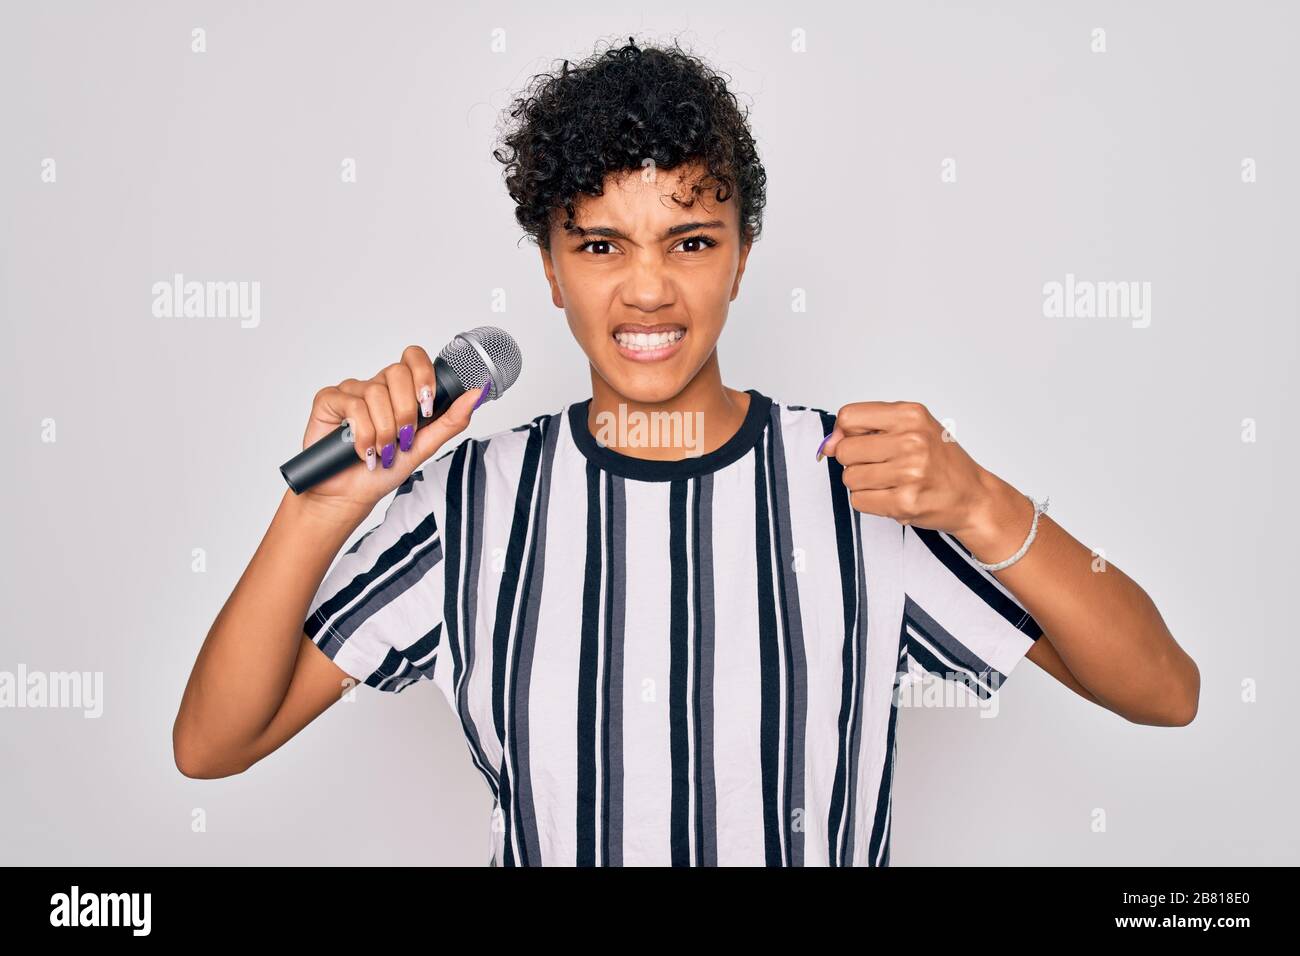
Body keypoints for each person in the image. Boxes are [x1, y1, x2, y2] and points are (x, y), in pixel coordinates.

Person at [173, 37, 1199, 866]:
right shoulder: (470, 503)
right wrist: (316, 512)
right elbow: (214, 742)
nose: (648, 289)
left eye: (691, 240)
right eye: (601, 245)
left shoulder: (858, 483)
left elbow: (1162, 688)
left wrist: (981, 501)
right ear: (551, 269)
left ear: (742, 255)